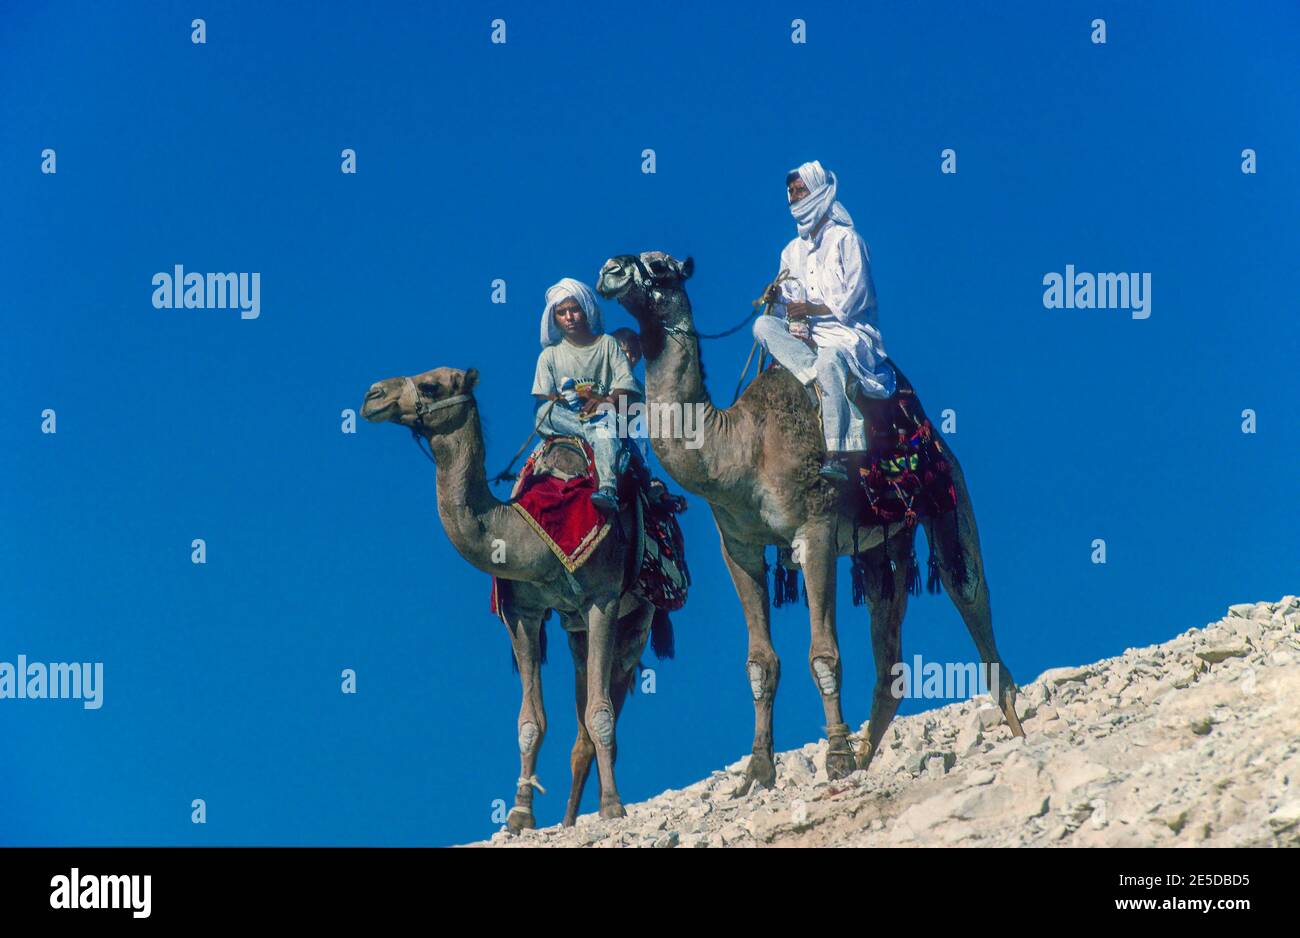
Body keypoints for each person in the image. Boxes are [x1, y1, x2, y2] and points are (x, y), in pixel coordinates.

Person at [753, 160, 896, 481]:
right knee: (762, 327)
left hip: (848, 335)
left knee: (830, 360)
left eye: (800, 189)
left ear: (818, 190)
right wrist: (781, 307)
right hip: (808, 340)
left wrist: (812, 311)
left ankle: (838, 453)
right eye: (790, 191)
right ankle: (809, 375)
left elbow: (858, 298)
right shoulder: (790, 252)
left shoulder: (847, 239)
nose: (794, 197)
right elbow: (789, 306)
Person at [532, 278, 642, 512]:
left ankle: (608, 488)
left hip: (603, 413)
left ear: (586, 310)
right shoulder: (549, 356)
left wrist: (607, 400)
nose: (569, 317)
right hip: (568, 417)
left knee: (604, 425)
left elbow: (626, 382)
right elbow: (544, 396)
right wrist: (562, 399)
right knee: (541, 412)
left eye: (574, 309)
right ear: (555, 319)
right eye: (562, 313)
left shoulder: (607, 345)